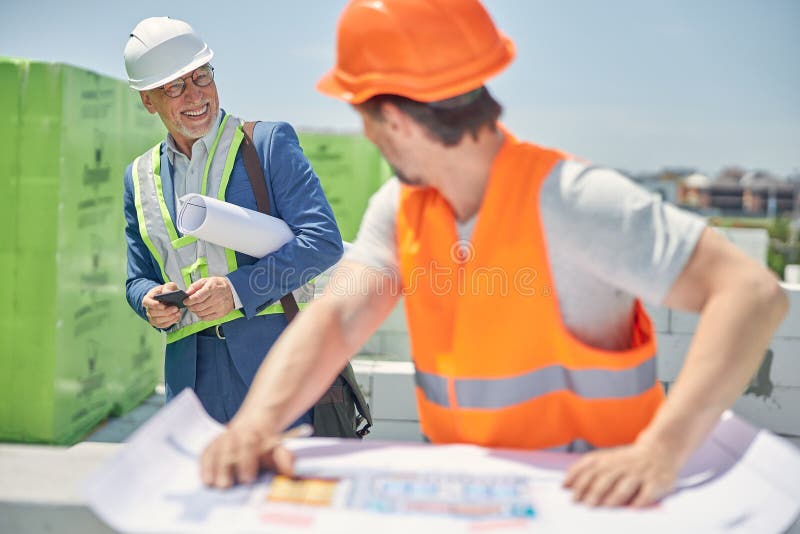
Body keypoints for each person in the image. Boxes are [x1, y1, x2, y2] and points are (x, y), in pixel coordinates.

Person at [199, 0, 787, 507]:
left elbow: (751, 294)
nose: (368, 135)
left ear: (397, 120)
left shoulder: (571, 200)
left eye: (365, 118)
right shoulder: (401, 208)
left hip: (597, 503)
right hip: (477, 498)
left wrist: (663, 451)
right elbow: (337, 317)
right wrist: (257, 424)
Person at [122, 17, 343, 425]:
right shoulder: (137, 177)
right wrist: (148, 301)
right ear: (148, 101)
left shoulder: (267, 144)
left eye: (201, 76)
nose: (195, 94)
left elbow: (323, 241)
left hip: (275, 370)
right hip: (189, 385)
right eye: (174, 86)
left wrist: (237, 290)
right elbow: (137, 278)